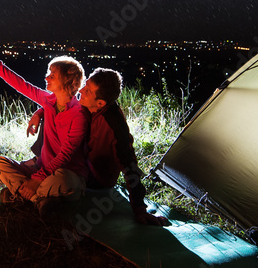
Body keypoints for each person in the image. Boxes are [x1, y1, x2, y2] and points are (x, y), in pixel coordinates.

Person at [28, 68, 169, 226]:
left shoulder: (114, 125)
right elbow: (58, 104)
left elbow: (129, 164)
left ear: (100, 103)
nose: (81, 90)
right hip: (76, 162)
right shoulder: (87, 105)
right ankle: (40, 167)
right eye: (85, 85)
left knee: (64, 180)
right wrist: (39, 113)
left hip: (93, 179)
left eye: (87, 90)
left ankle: (37, 193)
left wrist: (139, 209)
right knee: (54, 118)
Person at [0, 43, 89, 215]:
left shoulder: (78, 114)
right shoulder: (48, 102)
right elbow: (21, 84)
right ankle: (38, 200)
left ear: (67, 80)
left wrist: (36, 179)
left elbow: (66, 155)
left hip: (67, 173)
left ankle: (22, 192)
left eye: (53, 75)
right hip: (41, 169)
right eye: (48, 74)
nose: (47, 78)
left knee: (63, 181)